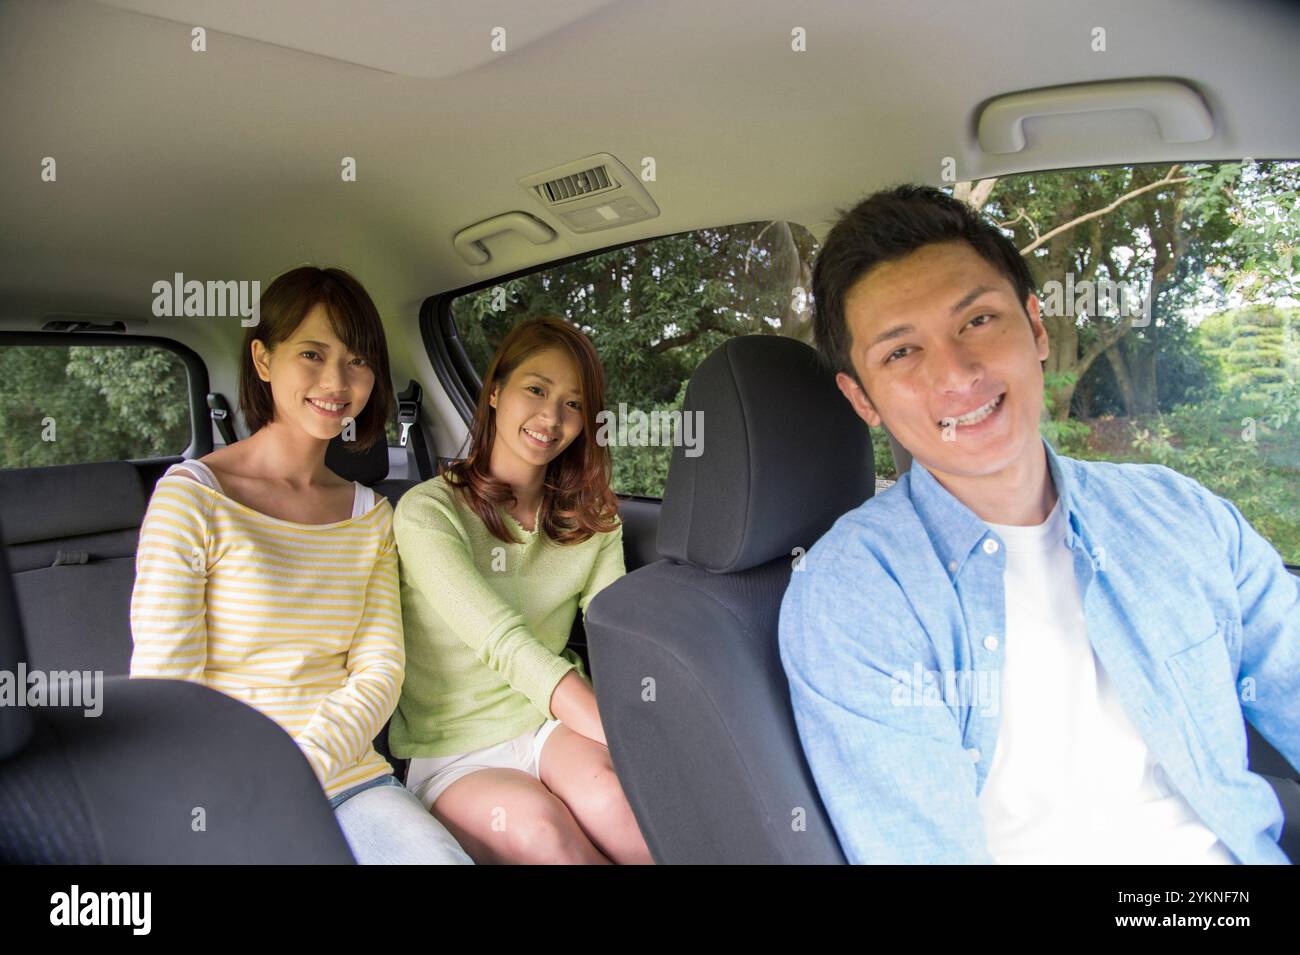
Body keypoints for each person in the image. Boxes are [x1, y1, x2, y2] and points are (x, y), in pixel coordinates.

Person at [778, 184, 1300, 864]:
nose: (957, 373)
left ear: (1036, 325)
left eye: (978, 321)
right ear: (862, 398)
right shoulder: (851, 597)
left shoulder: (1182, 515)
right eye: (901, 353)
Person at [129, 265, 472, 864]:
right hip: (219, 788)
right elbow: (167, 687)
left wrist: (301, 767)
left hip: (346, 777)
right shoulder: (193, 497)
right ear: (264, 360)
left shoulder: (371, 516)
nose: (336, 381)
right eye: (311, 354)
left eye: (358, 359)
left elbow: (379, 670)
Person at [390, 315, 653, 864]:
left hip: (548, 724)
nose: (552, 416)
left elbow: (617, 634)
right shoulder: (428, 511)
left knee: (618, 801)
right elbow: (504, 643)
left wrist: (654, 723)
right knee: (542, 832)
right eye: (536, 389)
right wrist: (620, 735)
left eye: (574, 403)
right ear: (494, 392)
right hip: (454, 749)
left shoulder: (594, 516)